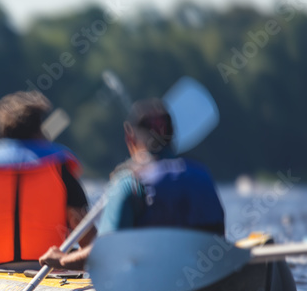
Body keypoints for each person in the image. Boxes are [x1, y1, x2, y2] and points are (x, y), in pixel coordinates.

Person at [39, 97, 225, 271]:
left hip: (150, 284)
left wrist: (62, 260)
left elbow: (105, 254)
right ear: (172, 135)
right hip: (201, 277)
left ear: (130, 136)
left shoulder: (128, 182)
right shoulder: (202, 175)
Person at [0, 91, 89, 267]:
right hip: (49, 269)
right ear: (39, 128)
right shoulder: (59, 166)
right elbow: (86, 235)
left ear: (0, 132)